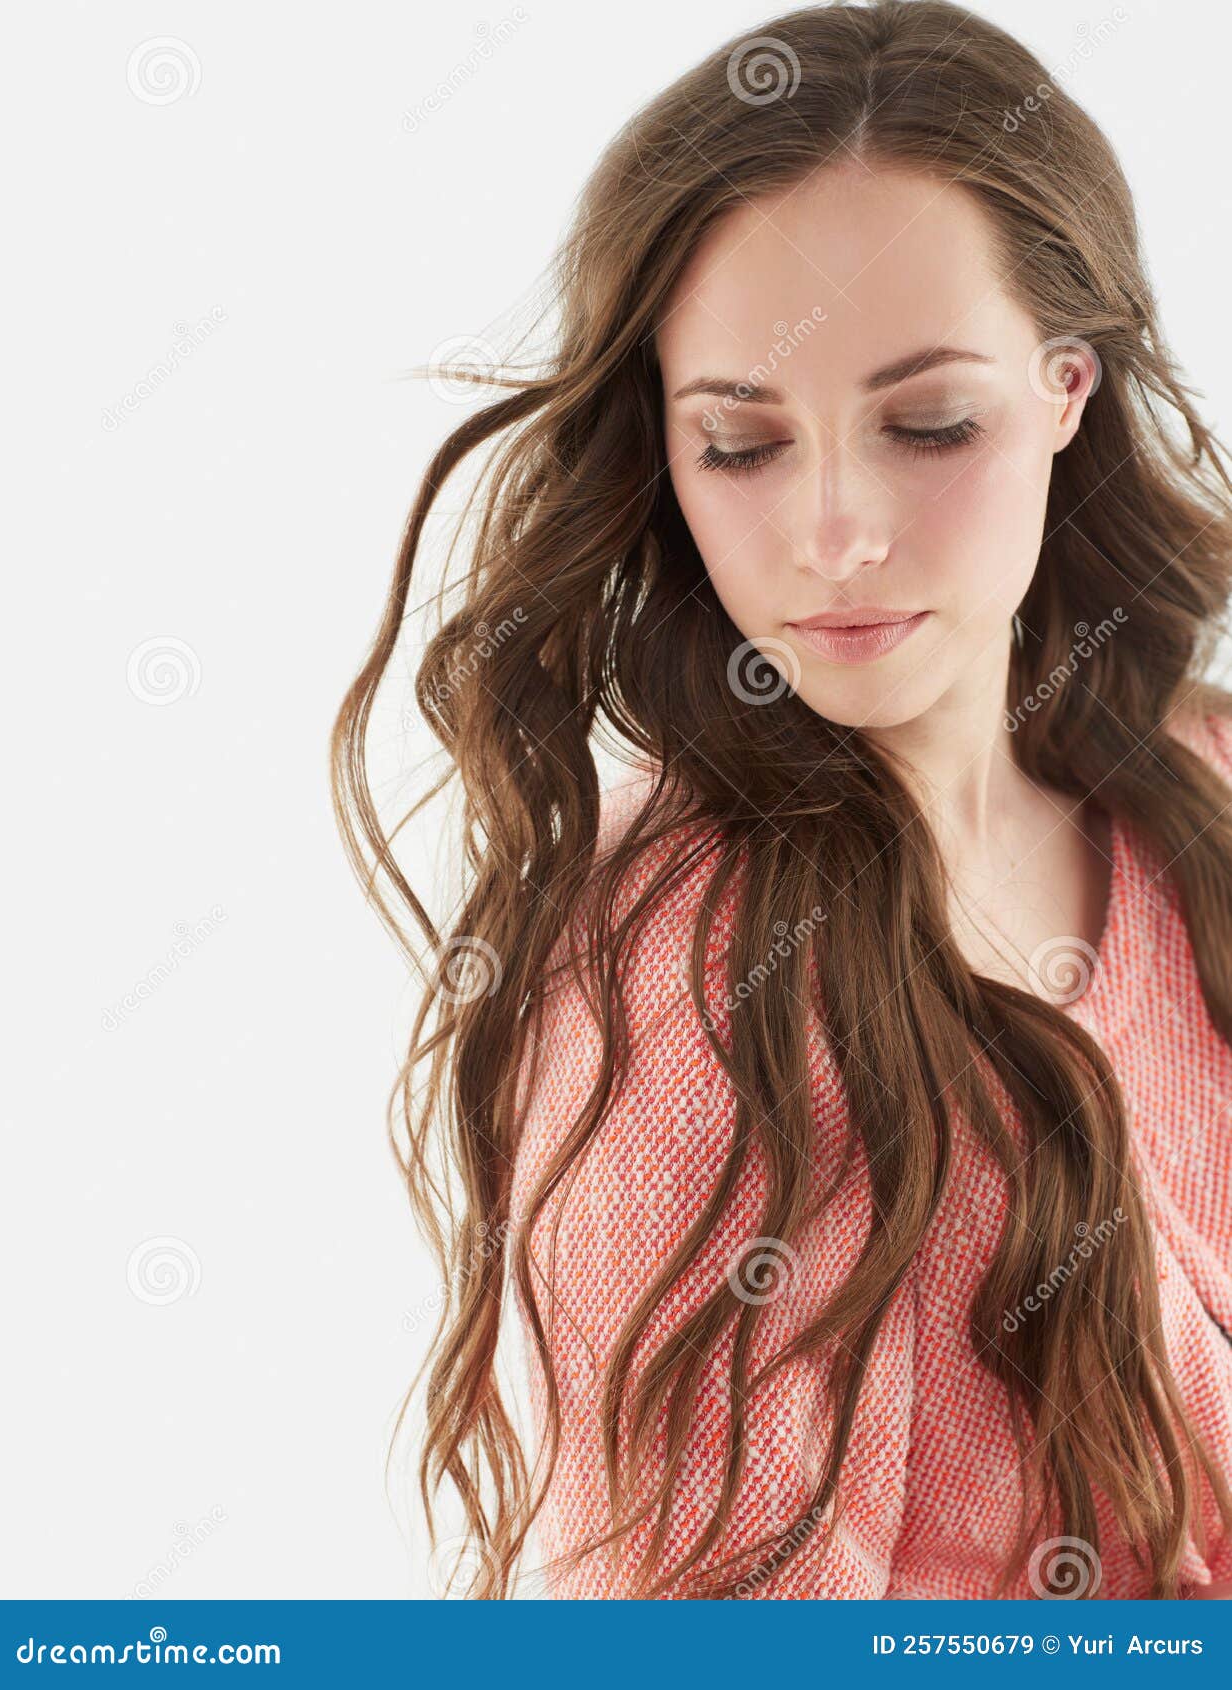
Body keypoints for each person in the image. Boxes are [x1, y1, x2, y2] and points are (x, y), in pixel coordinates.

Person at [332, 0, 1232, 1598]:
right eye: (741, 445)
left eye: (929, 424)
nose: (834, 532)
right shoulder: (686, 972)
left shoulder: (1200, 787)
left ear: (1067, 388)